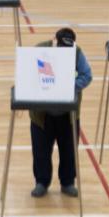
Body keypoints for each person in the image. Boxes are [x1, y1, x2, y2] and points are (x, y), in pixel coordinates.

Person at [29, 27, 93, 198]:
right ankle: (41, 182)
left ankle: (67, 182)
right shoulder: (40, 51)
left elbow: (87, 76)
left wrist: (68, 86)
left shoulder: (76, 53)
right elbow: (28, 74)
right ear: (54, 41)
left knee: (69, 151)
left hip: (68, 115)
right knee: (41, 151)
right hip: (42, 115)